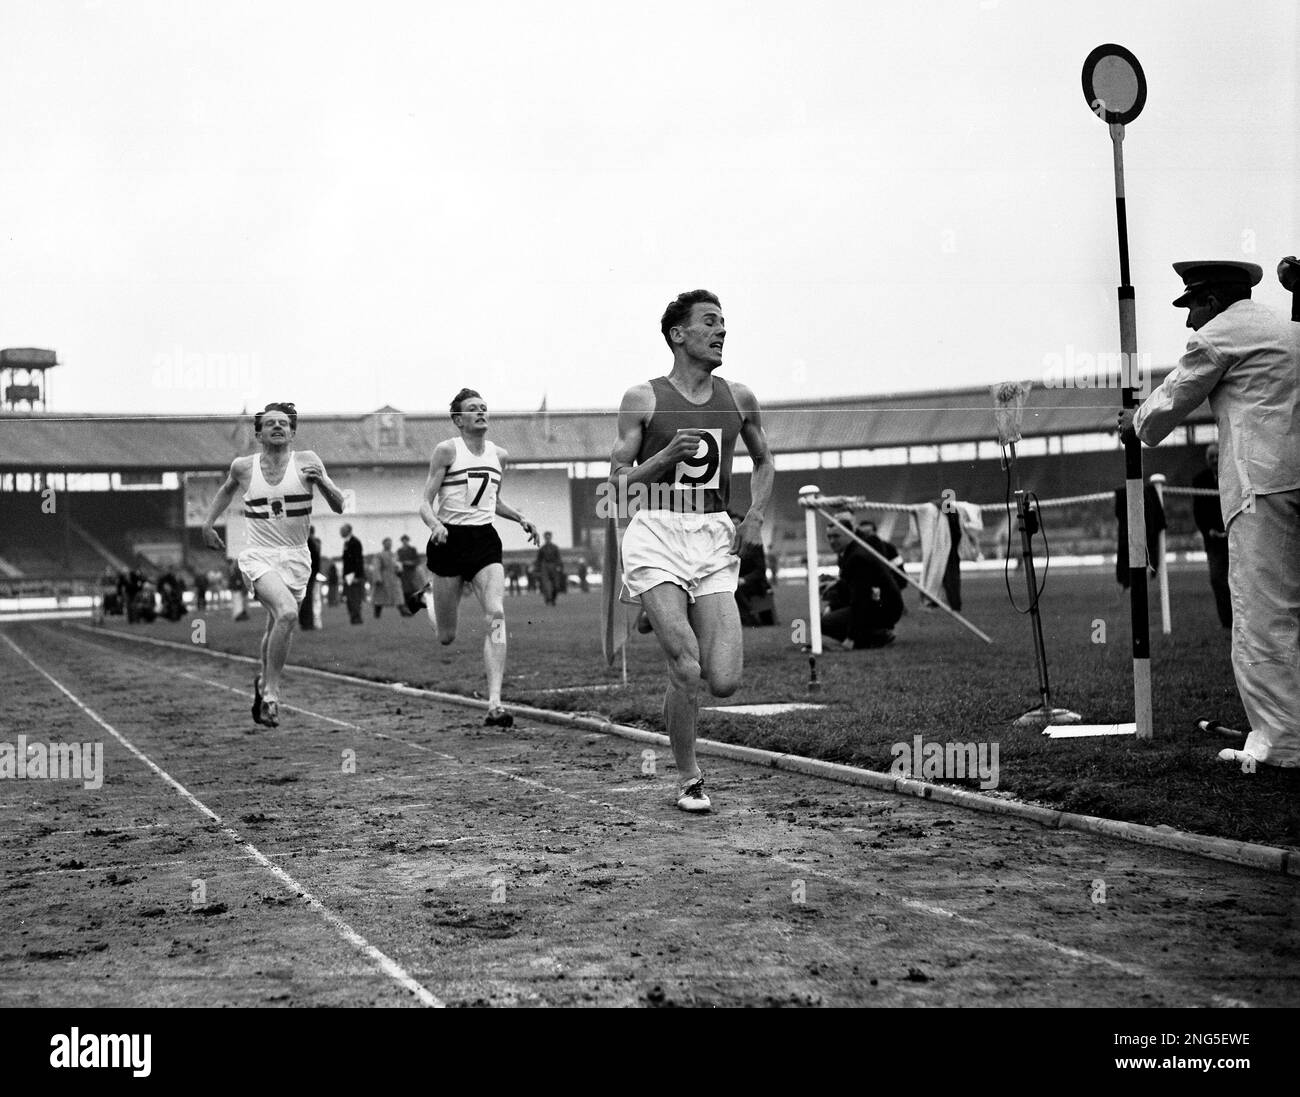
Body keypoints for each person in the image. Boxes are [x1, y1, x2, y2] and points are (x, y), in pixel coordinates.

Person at [1119, 260, 1300, 769]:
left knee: (1262, 616)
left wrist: (1134, 423)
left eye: (1192, 306)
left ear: (1213, 300)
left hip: (1262, 488)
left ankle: (1281, 745)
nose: (1189, 322)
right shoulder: (1291, 329)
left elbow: (1173, 397)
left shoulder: (1218, 336)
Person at [609, 289, 774, 813]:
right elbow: (616, 486)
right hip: (655, 531)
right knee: (686, 667)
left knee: (722, 680)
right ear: (679, 335)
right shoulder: (643, 398)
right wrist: (662, 458)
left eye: (724, 323)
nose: (722, 331)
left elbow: (766, 463)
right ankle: (689, 778)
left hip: (712, 536)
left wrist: (754, 516)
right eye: (710, 322)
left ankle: (657, 611)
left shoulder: (739, 397)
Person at [202, 402, 345, 726]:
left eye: (284, 423)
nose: (278, 427)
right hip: (260, 555)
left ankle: (262, 682)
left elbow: (338, 505)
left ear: (293, 432)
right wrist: (208, 523)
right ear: (258, 433)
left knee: (276, 624)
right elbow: (226, 491)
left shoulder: (308, 461)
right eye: (270, 424)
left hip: (296, 557)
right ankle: (271, 694)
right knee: (287, 614)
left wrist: (321, 481)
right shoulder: (243, 467)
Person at [419, 387, 540, 727]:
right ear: (458, 419)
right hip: (448, 541)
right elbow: (425, 502)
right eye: (473, 409)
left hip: (485, 540)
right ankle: (426, 599)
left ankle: (495, 703)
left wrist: (520, 517)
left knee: (497, 614)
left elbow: (492, 501)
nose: (481, 413)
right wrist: (435, 525)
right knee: (446, 636)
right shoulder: (446, 451)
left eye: (484, 408)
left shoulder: (499, 455)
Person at [821, 511, 903, 648]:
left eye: (836, 536)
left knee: (824, 623)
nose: (832, 541)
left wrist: (851, 638)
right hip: (879, 604)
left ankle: (873, 637)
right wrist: (832, 605)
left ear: (849, 535)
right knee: (825, 616)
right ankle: (875, 633)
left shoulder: (857, 558)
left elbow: (860, 600)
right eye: (829, 537)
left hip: (884, 608)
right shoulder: (849, 552)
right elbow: (850, 588)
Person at [1192, 443, 1231, 628]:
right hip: (1214, 539)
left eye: (1217, 456)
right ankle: (1227, 622)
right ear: (1206, 460)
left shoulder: (1233, 476)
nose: (1215, 460)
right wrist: (1209, 531)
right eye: (1211, 457)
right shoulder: (1199, 481)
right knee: (1217, 578)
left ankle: (1242, 621)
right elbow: (1198, 512)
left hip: (1234, 536)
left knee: (1239, 578)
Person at [372, 537, 403, 617]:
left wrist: (399, 571)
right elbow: (376, 567)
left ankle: (402, 610)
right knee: (380, 597)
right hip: (384, 577)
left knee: (397, 595)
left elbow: (398, 565)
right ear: (384, 544)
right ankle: (377, 613)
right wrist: (378, 578)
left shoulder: (394, 555)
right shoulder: (379, 555)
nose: (389, 545)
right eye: (387, 543)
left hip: (394, 577)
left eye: (390, 543)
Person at [340, 524, 365, 624]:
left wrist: (357, 576)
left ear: (348, 530)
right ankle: (353, 617)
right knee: (350, 598)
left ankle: (356, 617)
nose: (340, 532)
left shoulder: (355, 542)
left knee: (355, 597)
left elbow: (358, 560)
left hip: (353, 575)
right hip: (348, 575)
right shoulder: (347, 542)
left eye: (342, 530)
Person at [299, 525, 322, 629]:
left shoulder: (306, 542)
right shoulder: (312, 543)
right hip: (309, 575)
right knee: (308, 599)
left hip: (304, 574)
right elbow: (316, 560)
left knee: (305, 599)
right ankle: (308, 623)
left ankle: (305, 622)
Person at [396, 533, 424, 615]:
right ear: (402, 541)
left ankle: (412, 608)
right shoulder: (399, 551)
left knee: (413, 590)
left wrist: (409, 563)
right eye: (403, 541)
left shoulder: (412, 550)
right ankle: (404, 610)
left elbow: (417, 561)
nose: (404, 542)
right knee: (404, 591)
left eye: (406, 540)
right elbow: (398, 561)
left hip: (412, 573)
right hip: (403, 573)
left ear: (408, 541)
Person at [535, 531, 565, 605]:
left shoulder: (555, 548)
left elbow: (558, 558)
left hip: (554, 566)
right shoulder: (542, 549)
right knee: (546, 585)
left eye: (549, 537)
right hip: (545, 567)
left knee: (556, 585)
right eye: (546, 537)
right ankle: (548, 598)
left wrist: (559, 566)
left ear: (551, 538)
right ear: (545, 538)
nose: (547, 539)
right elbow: (539, 559)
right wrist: (537, 569)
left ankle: (553, 599)